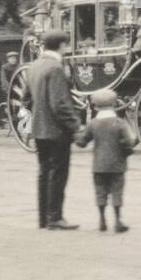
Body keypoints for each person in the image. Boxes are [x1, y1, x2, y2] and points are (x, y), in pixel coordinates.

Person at [24, 31, 81, 230]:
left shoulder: (34, 66)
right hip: (57, 131)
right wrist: (76, 127)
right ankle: (55, 217)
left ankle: (43, 218)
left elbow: (26, 100)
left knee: (43, 172)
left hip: (39, 130)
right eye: (66, 44)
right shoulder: (56, 67)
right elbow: (60, 105)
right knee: (58, 174)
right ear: (61, 45)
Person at [76, 89, 136, 233]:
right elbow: (128, 143)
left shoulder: (93, 124)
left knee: (100, 192)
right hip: (117, 165)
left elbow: (82, 142)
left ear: (95, 107)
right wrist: (128, 152)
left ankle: (102, 220)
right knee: (117, 192)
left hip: (99, 166)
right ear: (114, 104)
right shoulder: (120, 123)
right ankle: (117, 220)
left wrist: (74, 135)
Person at [0, 51, 19, 128]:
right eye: (12, 58)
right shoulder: (4, 67)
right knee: (8, 105)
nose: (14, 60)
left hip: (18, 88)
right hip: (8, 88)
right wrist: (10, 87)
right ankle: (8, 119)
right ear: (8, 59)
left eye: (15, 58)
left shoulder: (19, 67)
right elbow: (3, 79)